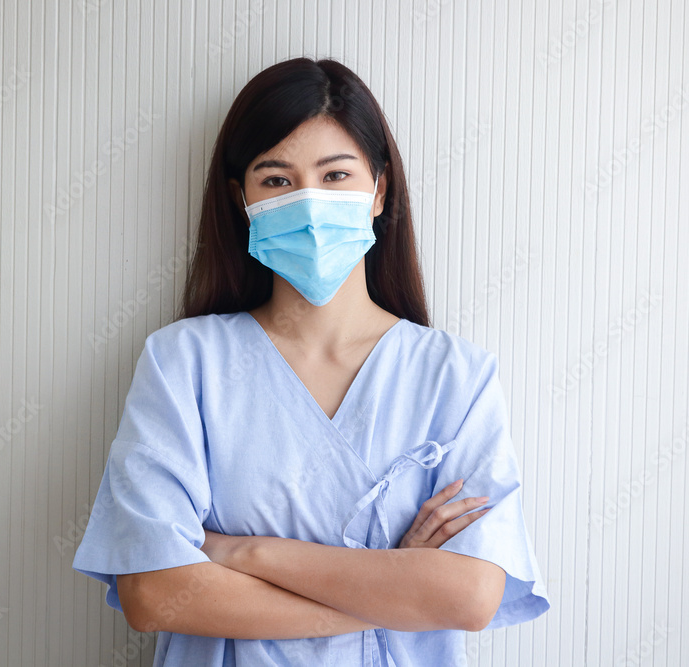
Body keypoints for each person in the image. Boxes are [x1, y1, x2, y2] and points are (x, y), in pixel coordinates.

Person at [72, 56, 549, 666]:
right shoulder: (183, 362)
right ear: (240, 199)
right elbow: (154, 594)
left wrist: (243, 554)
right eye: (276, 180)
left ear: (378, 191)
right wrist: (396, 584)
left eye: (335, 176)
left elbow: (473, 594)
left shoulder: (455, 377)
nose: (308, 203)